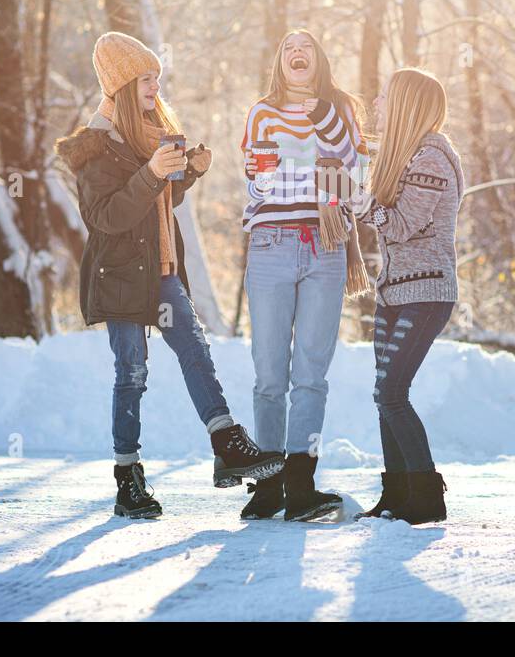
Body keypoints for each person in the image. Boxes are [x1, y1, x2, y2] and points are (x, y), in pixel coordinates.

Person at [55, 31, 282, 519]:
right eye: (144, 78)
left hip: (160, 272)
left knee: (196, 350)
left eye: (157, 76)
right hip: (118, 277)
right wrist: (153, 173)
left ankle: (227, 445)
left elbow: (156, 205)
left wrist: (188, 173)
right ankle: (128, 479)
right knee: (132, 371)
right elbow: (108, 218)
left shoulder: (149, 135)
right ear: (121, 84)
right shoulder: (95, 148)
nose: (154, 85)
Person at [238, 29, 370, 521]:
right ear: (280, 61)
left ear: (318, 60)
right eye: (288, 46)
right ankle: (268, 485)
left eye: (306, 46)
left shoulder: (339, 113)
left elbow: (355, 184)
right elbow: (260, 185)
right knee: (270, 374)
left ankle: (301, 485)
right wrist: (320, 174)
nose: (297, 51)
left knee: (312, 375)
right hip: (271, 245)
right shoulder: (261, 112)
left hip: (326, 247)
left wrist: (322, 140)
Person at [342, 67, 462, 525]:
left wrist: (359, 204)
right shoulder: (410, 155)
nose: (377, 104)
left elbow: (403, 224)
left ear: (409, 104)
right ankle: (395, 497)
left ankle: (427, 497)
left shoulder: (431, 156)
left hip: (427, 291)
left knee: (393, 391)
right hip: (395, 291)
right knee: (384, 392)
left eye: (386, 97)